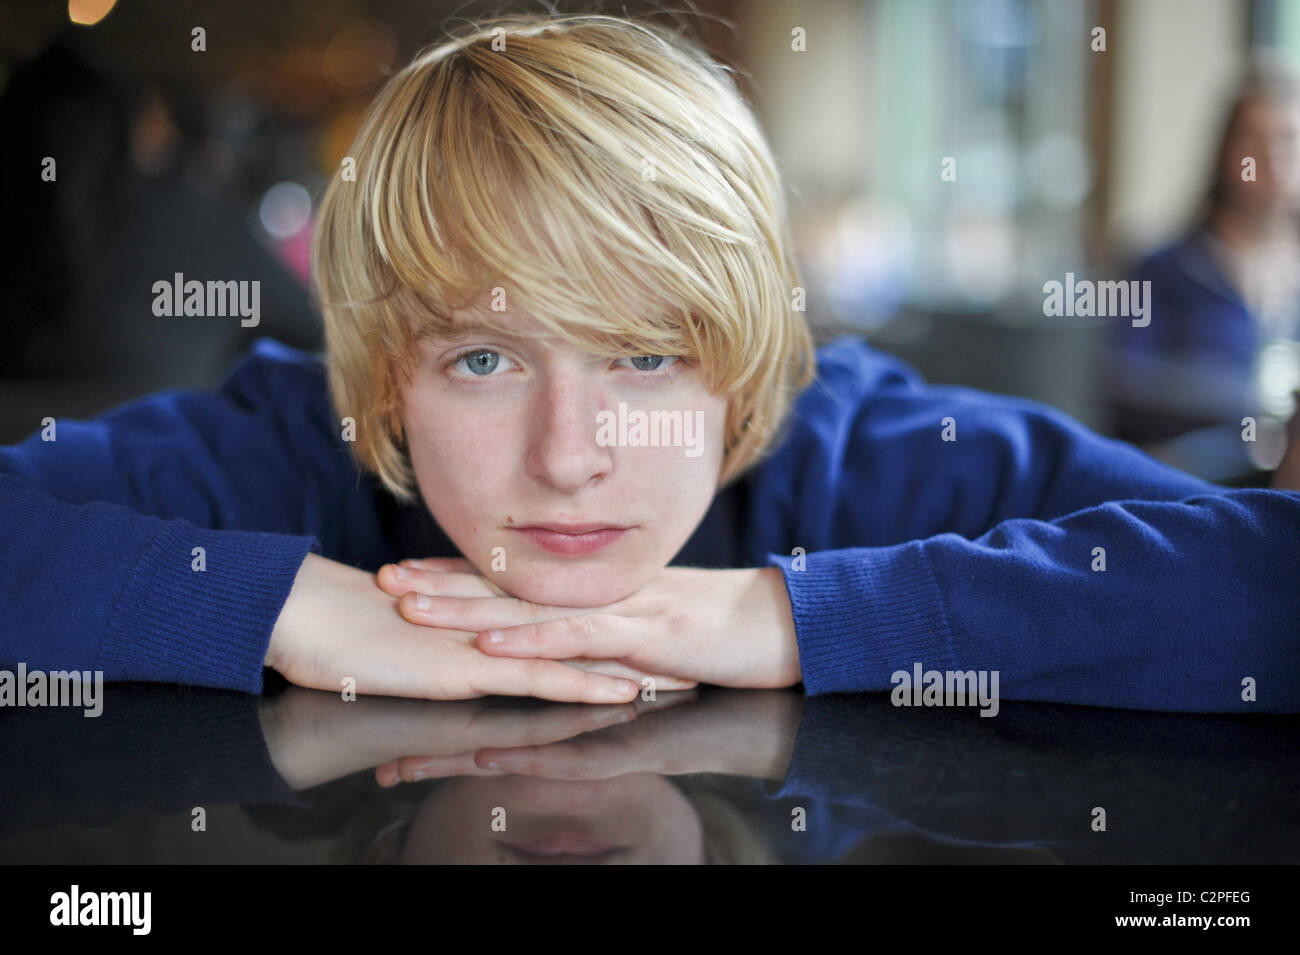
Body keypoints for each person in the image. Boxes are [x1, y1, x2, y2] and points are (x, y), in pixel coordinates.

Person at [3, 13, 1298, 714]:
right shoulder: (286, 447)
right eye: (484, 358)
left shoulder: (874, 458)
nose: (571, 455)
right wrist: (283, 604)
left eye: (646, 354)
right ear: (387, 371)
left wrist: (799, 615)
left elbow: (1270, 581)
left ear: (742, 365)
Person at [1112, 63, 1300, 445]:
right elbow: (1126, 385)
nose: (1272, 161)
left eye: (1286, 141)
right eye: (1254, 142)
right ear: (1226, 151)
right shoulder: (1165, 270)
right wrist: (1243, 401)